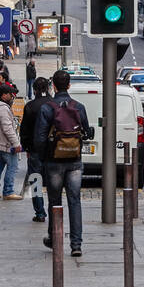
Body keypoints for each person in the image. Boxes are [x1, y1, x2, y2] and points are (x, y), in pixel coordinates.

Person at [34, 69, 93, 259]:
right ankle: (76, 245)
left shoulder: (47, 108)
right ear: (69, 85)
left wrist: (43, 158)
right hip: (74, 161)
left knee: (54, 202)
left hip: (54, 160)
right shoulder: (79, 106)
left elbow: (40, 138)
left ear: (54, 85)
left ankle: (54, 238)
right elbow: (86, 131)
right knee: (75, 202)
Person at [20, 75, 51, 223]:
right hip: (53, 150)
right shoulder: (55, 104)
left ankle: (40, 212)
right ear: (48, 88)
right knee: (53, 180)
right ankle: (54, 208)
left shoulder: (30, 106)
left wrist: (26, 147)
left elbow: (24, 130)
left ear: (34, 89)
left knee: (36, 180)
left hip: (35, 149)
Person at [0, 81, 23, 200]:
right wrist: (16, 143)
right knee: (12, 167)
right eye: (10, 95)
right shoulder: (2, 109)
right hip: (6, 145)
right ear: (3, 95)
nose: (12, 97)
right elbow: (7, 129)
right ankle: (8, 191)